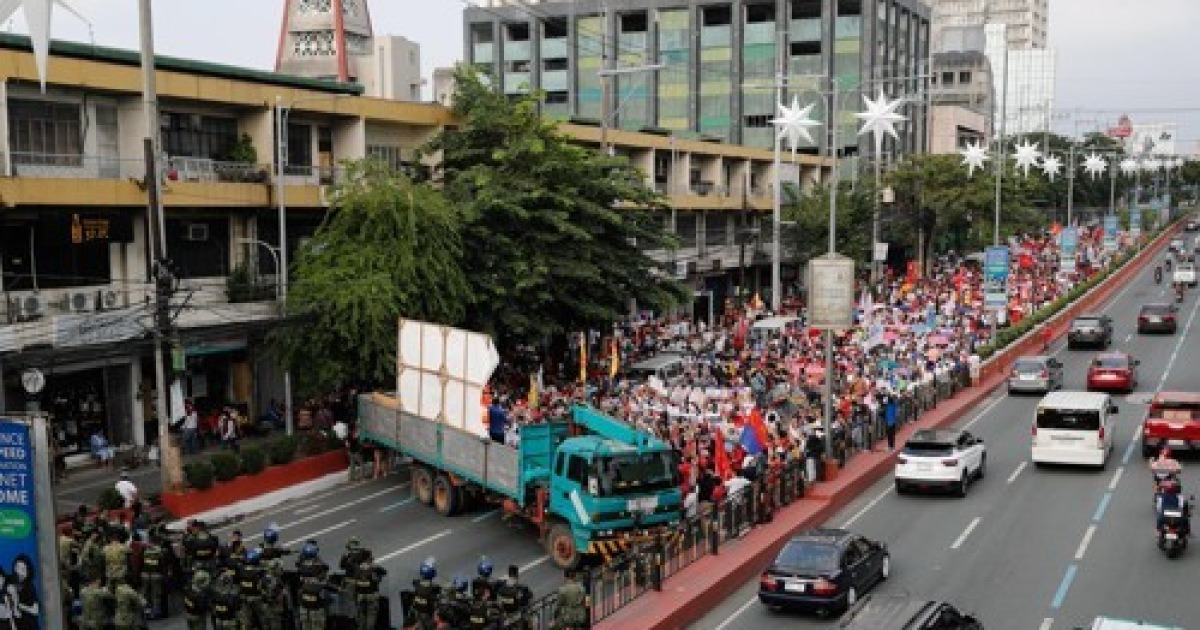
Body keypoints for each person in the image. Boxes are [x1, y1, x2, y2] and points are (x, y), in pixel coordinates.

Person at [351, 550, 386, 630]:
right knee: (371, 617)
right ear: (368, 558)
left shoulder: (357, 568)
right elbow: (384, 572)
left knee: (361, 618)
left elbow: (355, 582)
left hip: (360, 596)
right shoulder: (373, 567)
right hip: (371, 596)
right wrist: (372, 564)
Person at [7, 555, 39, 630]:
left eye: (23, 569)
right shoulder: (10, 580)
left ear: (28, 572)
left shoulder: (30, 587)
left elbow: (35, 610)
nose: (19, 571)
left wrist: (18, 605)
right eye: (17, 567)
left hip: (29, 625)